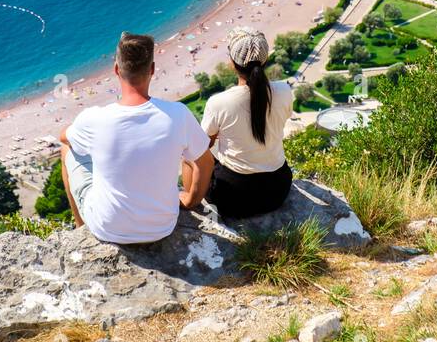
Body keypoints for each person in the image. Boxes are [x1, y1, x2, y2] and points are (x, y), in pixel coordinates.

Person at [59, 32, 215, 244]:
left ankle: (81, 227)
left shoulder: (95, 118)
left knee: (67, 149)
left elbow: (64, 137)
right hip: (162, 226)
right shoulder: (178, 114)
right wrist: (190, 200)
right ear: (151, 70)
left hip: (108, 228)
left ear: (116, 69)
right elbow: (205, 163)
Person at [200, 27, 294, 218]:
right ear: (265, 60)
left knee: (193, 153)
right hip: (277, 191)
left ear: (232, 64)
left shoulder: (219, 103)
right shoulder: (284, 91)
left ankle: (188, 200)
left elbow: (202, 146)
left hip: (234, 197)